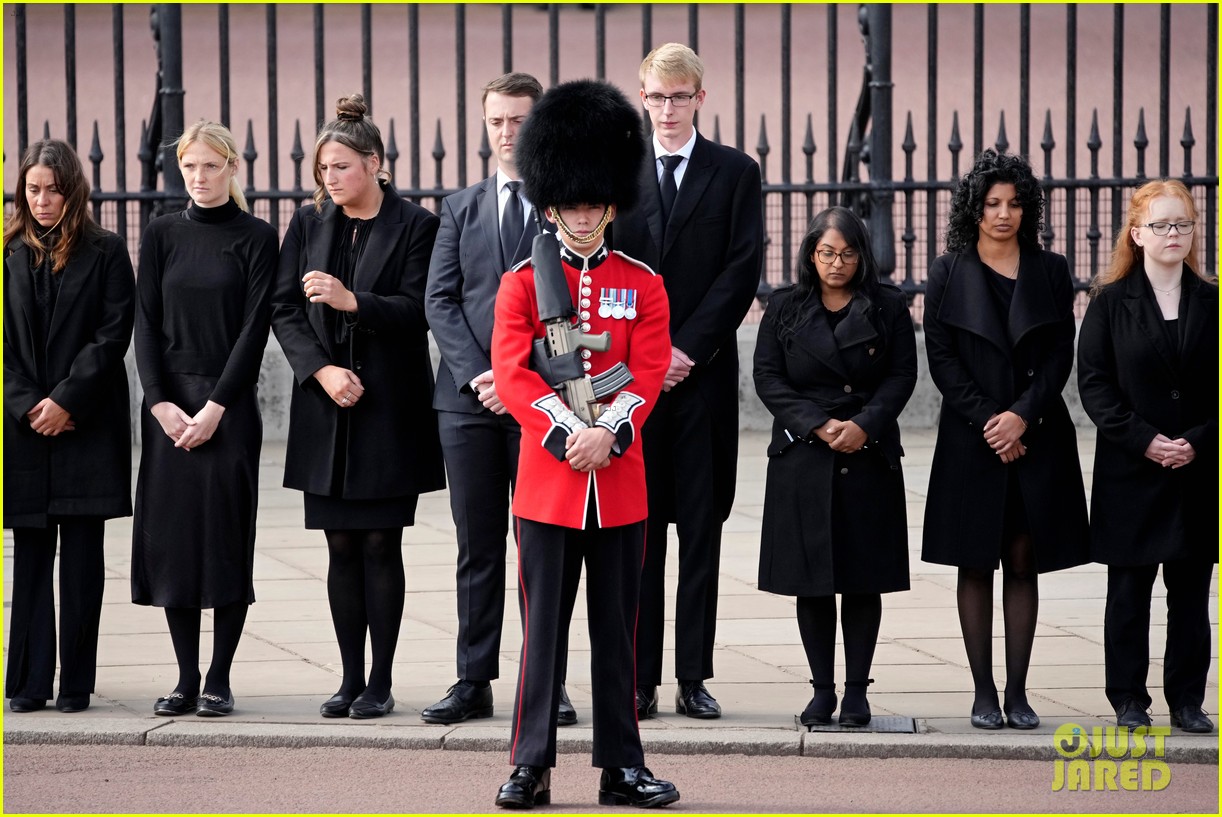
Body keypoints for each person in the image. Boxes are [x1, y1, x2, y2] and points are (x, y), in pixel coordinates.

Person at [490, 79, 678, 809]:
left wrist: (609, 431)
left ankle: (622, 767)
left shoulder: (643, 283)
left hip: (619, 481)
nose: (581, 213)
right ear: (550, 205)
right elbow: (513, 374)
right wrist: (572, 431)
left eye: (593, 202)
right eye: (570, 203)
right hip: (550, 483)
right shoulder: (521, 285)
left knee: (618, 634)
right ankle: (530, 764)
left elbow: (649, 369)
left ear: (610, 204)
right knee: (542, 634)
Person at [272, 95, 444, 720]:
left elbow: (421, 310)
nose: (331, 178)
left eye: (341, 166)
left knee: (379, 543)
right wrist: (320, 371)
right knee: (339, 545)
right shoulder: (308, 223)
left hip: (388, 409)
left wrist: (354, 302)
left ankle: (380, 681)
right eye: (323, 169)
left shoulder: (417, 225)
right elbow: (283, 308)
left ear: (374, 162)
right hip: (326, 408)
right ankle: (348, 679)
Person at [613, 41, 765, 720]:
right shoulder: (620, 172)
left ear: (700, 97)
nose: (668, 109)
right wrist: (651, 354)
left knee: (701, 530)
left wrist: (688, 350)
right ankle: (639, 677)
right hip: (633, 380)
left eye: (679, 97)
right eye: (656, 97)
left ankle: (693, 675)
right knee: (639, 534)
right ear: (643, 98)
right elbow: (605, 267)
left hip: (701, 379)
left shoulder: (735, 172)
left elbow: (741, 269)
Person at [423, 72, 575, 728]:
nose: (507, 132)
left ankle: (547, 683)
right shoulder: (460, 207)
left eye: (519, 119)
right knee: (477, 545)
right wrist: (482, 374)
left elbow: (574, 307)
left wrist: (517, 378)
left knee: (542, 548)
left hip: (543, 403)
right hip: (469, 403)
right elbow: (440, 299)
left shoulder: (569, 206)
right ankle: (473, 678)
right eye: (496, 121)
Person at [921, 149, 1089, 730]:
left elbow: (1059, 354)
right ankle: (983, 693)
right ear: (974, 208)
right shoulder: (947, 272)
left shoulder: (1051, 270)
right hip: (973, 438)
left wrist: (1022, 417)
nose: (1003, 214)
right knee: (975, 562)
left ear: (1027, 210)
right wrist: (993, 422)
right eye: (992, 203)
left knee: (1022, 560)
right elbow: (942, 360)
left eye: (1015, 204)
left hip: (1036, 434)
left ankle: (1018, 692)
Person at [132, 120, 278, 717]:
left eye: (211, 166)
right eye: (190, 166)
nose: (199, 177)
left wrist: (216, 407)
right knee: (174, 546)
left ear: (232, 168)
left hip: (229, 410)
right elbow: (145, 321)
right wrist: (159, 403)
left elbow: (254, 331)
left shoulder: (258, 237)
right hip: (168, 411)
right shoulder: (161, 232)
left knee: (224, 541)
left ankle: (219, 677)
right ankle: (186, 676)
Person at [752, 207, 916, 727]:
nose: (836, 263)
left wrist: (866, 424)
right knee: (813, 580)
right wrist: (816, 424)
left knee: (863, 579)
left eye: (847, 254)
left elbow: (902, 375)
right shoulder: (785, 306)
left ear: (861, 256)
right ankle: (822, 690)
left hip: (868, 453)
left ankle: (857, 693)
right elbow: (768, 377)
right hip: (804, 455)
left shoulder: (888, 305)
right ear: (811, 255)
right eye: (826, 253)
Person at [1077, 179, 1217, 734]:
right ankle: (1129, 700)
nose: (1172, 234)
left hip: (1197, 470)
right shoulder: (1110, 303)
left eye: (1182, 224)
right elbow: (1095, 386)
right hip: (1131, 471)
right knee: (1129, 595)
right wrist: (1144, 439)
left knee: (1191, 596)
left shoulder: (1212, 301)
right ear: (1136, 234)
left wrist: (1199, 440)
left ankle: (1187, 701)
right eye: (1160, 225)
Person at [4, 139, 136, 714]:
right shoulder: (6, 251)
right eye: (33, 189)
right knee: (31, 557)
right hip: (24, 427)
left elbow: (113, 334)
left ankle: (76, 683)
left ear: (72, 191)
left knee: (83, 560)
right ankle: (30, 682)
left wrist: (66, 400)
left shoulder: (107, 250)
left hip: (87, 424)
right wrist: (28, 404)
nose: (42, 200)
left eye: (53, 190)